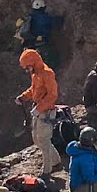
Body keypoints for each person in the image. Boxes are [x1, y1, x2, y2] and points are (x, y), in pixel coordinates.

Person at [14, 48, 62, 176]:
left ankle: (47, 171)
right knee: (37, 139)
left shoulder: (48, 73)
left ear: (34, 63)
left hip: (46, 112)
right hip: (38, 110)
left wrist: (39, 109)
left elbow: (52, 95)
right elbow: (33, 90)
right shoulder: (35, 74)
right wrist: (23, 97)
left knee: (44, 139)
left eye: (27, 67)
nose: (26, 70)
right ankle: (56, 161)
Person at [18, 0, 61, 69]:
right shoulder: (43, 18)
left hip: (31, 43)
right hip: (42, 43)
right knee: (52, 57)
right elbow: (55, 22)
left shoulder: (30, 16)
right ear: (43, 8)